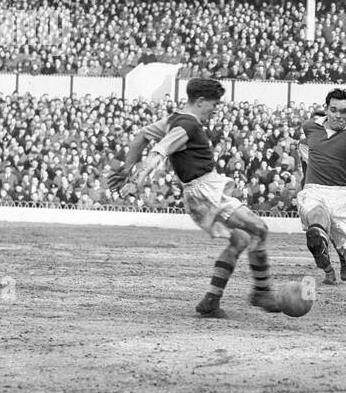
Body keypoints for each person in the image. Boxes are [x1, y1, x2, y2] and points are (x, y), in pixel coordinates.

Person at [107, 77, 279, 318]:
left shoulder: (173, 119)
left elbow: (141, 136)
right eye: (214, 104)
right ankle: (262, 291)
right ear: (200, 101)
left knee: (240, 240)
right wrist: (138, 179)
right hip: (205, 191)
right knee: (259, 229)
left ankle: (211, 300)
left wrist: (127, 168)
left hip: (197, 193)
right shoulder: (187, 126)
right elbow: (160, 151)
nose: (215, 109)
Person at [295, 87, 346, 312]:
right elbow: (303, 152)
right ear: (327, 109)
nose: (338, 115)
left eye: (343, 111)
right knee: (317, 217)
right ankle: (321, 249)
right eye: (333, 110)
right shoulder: (310, 127)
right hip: (314, 190)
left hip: (342, 196)